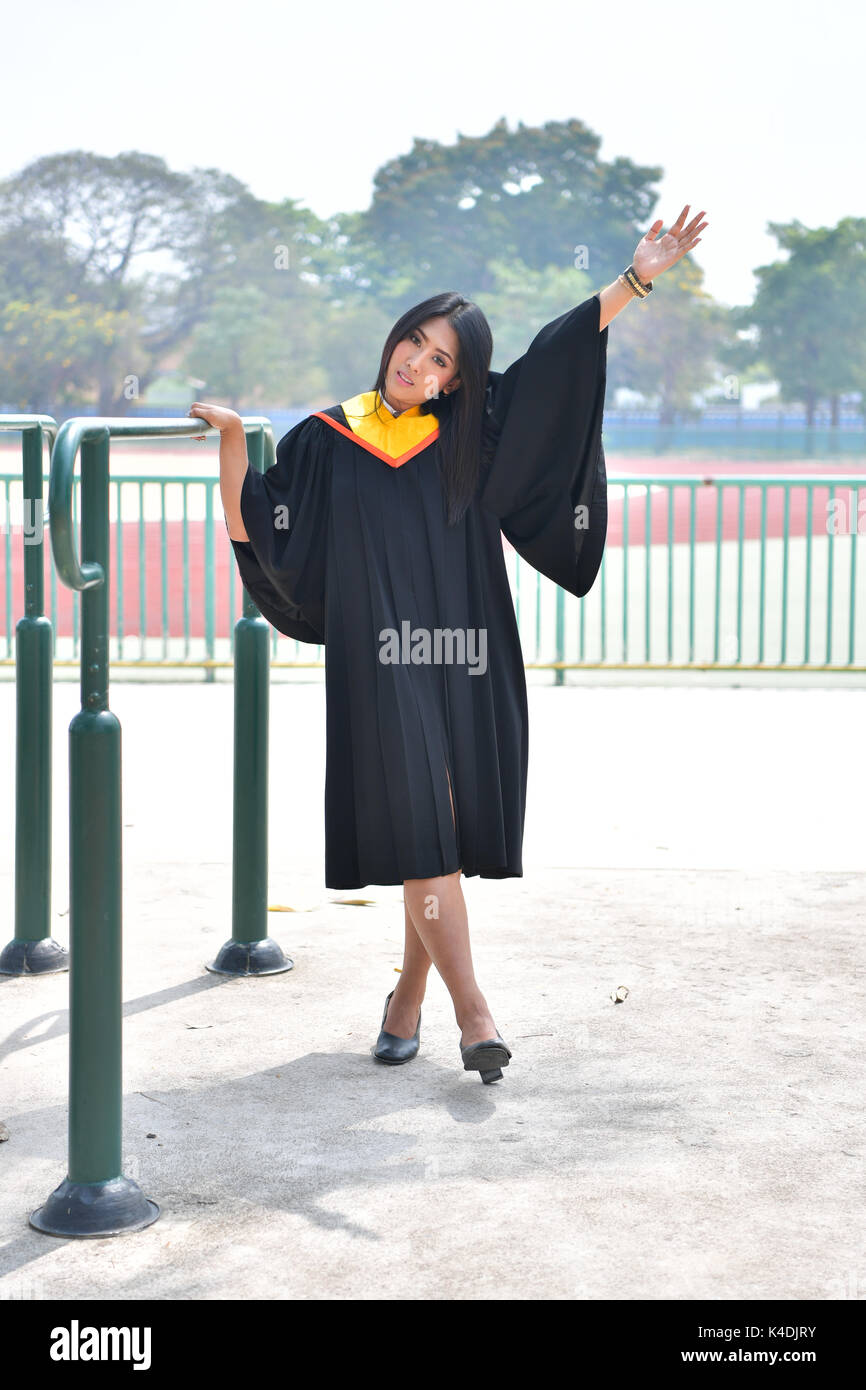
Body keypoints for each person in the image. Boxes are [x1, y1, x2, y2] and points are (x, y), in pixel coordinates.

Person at [190, 205, 708, 1084]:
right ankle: (476, 1015)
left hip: (469, 648)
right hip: (381, 660)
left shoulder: (472, 429)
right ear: (394, 338)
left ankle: (405, 1000)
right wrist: (237, 442)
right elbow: (258, 524)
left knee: (443, 835)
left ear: (457, 379)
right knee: (421, 831)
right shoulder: (327, 438)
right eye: (417, 343)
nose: (421, 364)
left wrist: (634, 279)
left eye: (444, 360)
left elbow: (554, 360)